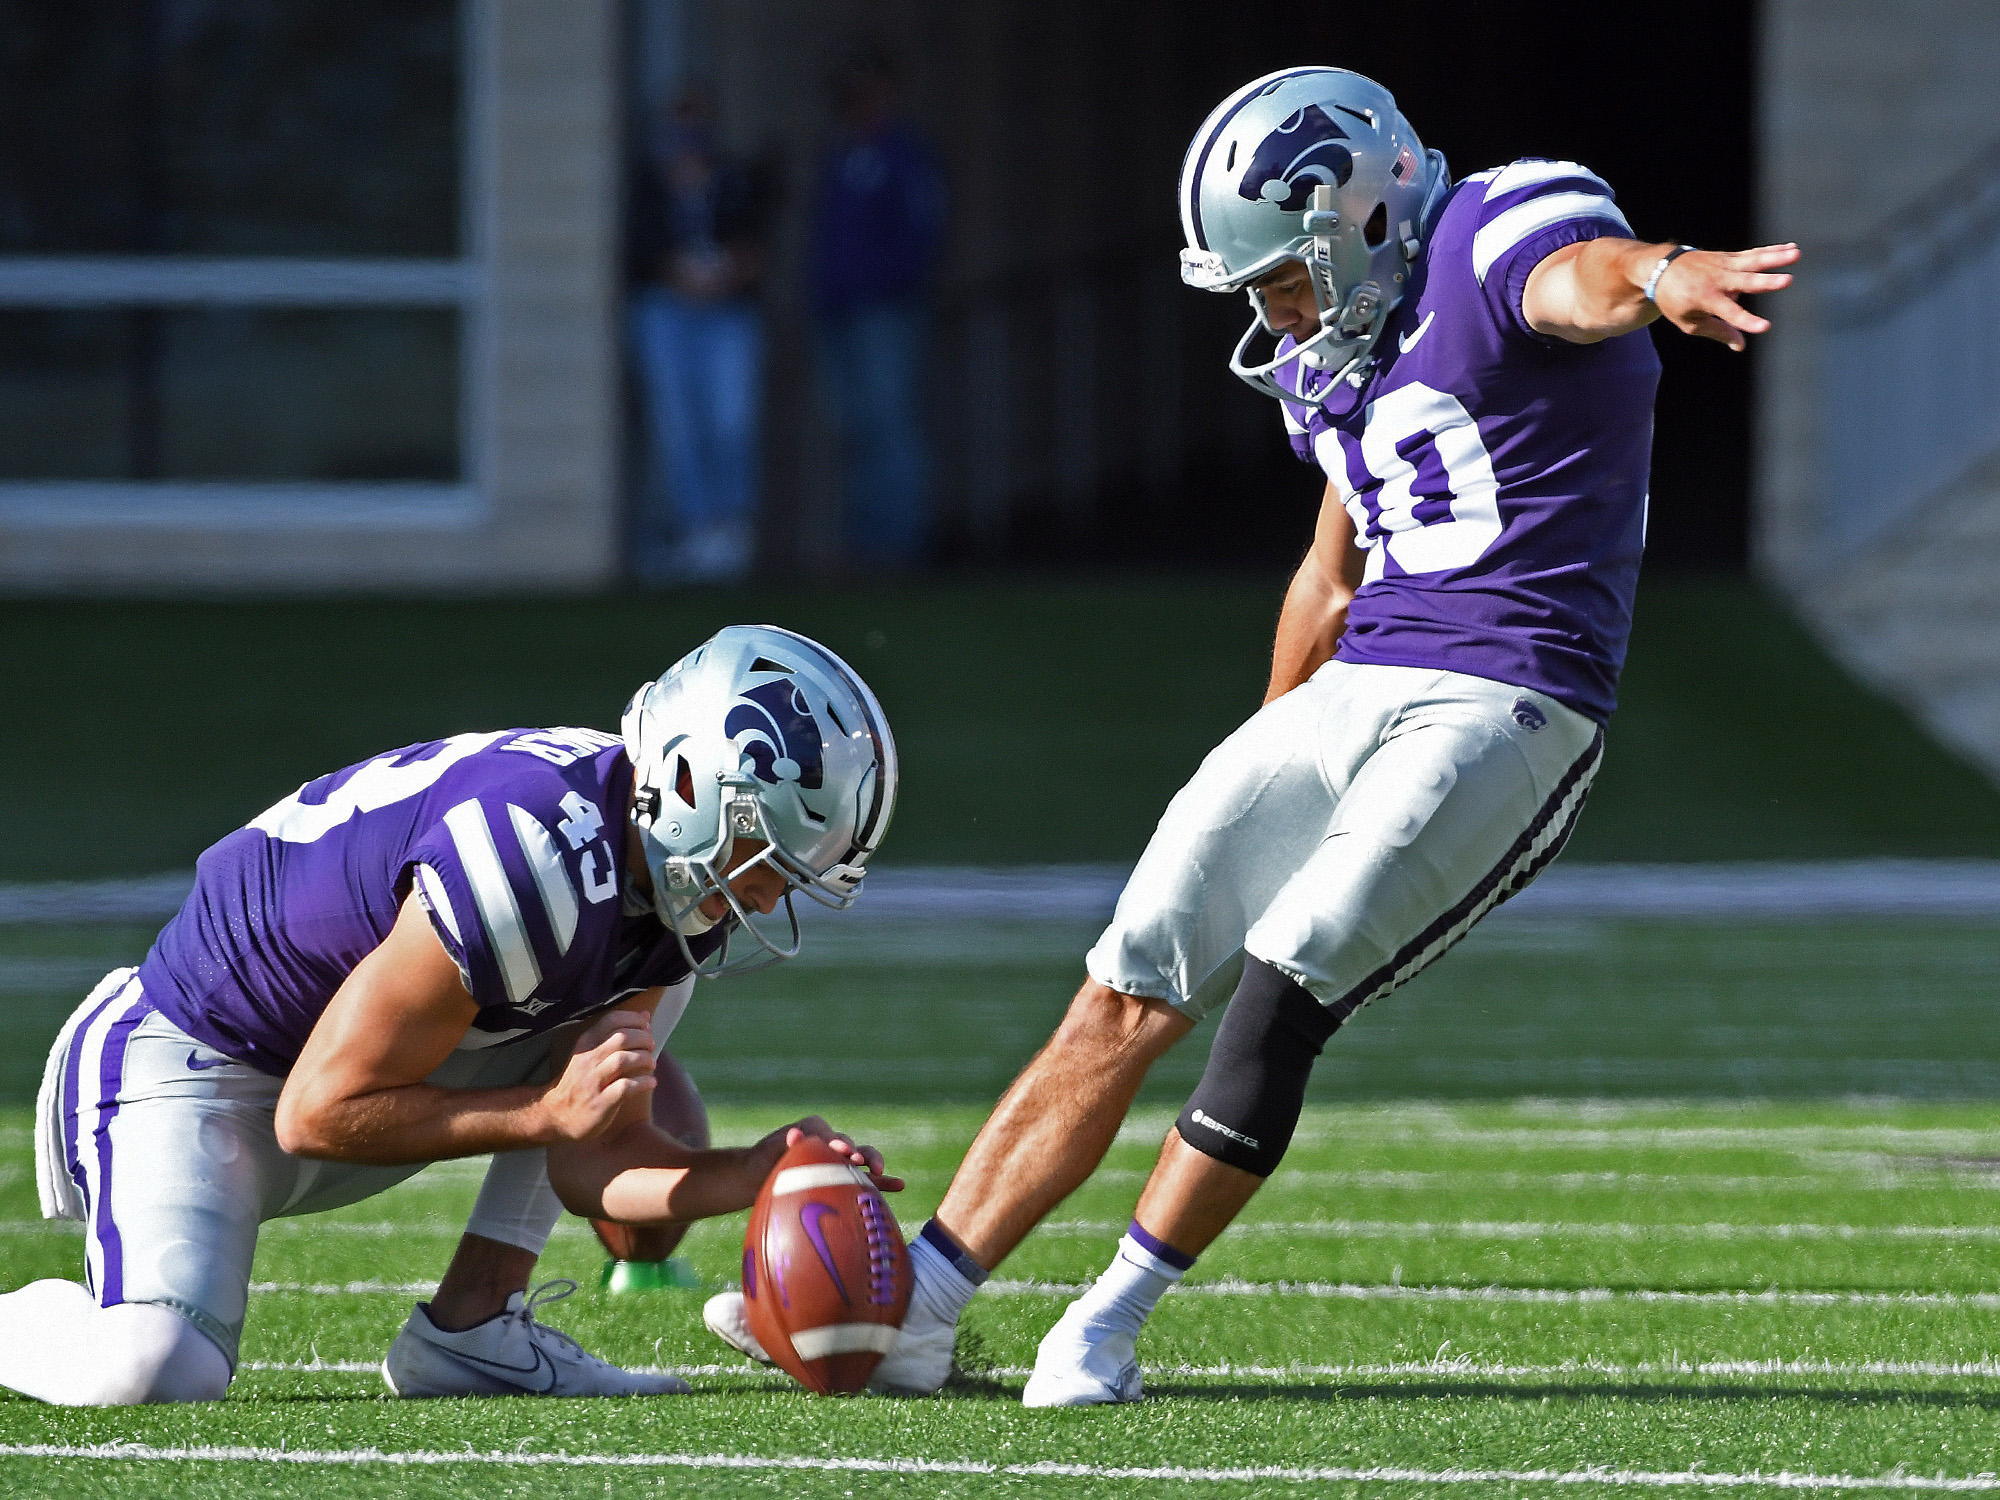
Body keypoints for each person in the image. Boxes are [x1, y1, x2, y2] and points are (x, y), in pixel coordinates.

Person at [704, 65, 1797, 1403]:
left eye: (1284, 273)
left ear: (1368, 215)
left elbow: (1585, 276)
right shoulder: (1324, 362)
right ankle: (927, 1305)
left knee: (1289, 972)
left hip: (1511, 697)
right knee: (1129, 976)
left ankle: (1106, 1321)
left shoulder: (1493, 226)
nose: (1273, 309)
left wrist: (1669, 273)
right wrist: (1272, 748)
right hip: (1364, 682)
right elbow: (1331, 576)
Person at [0, 625, 899, 1405]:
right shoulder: (531, 854)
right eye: (763, 853)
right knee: (155, 1369)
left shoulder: (659, 888)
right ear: (692, 787)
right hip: (192, 1061)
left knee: (598, 1051)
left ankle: (474, 1328)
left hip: (366, 1068)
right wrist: (548, 1112)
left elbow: (597, 1163)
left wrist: (755, 1172)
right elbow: (316, 1112)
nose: (770, 890)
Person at [628, 88, 772, 583]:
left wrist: (722, 278)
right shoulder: (650, 184)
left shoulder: (734, 182)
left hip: (726, 314)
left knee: (731, 422)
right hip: (670, 313)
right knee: (680, 427)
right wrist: (680, 277)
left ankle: (731, 531)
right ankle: (696, 530)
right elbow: (639, 254)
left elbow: (755, 251)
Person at [810, 48, 946, 568]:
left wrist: (894, 283)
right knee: (853, 428)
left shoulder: (905, 154)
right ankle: (862, 545)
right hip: (838, 311)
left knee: (890, 424)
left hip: (886, 310)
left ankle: (896, 547)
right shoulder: (838, 151)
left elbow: (922, 231)